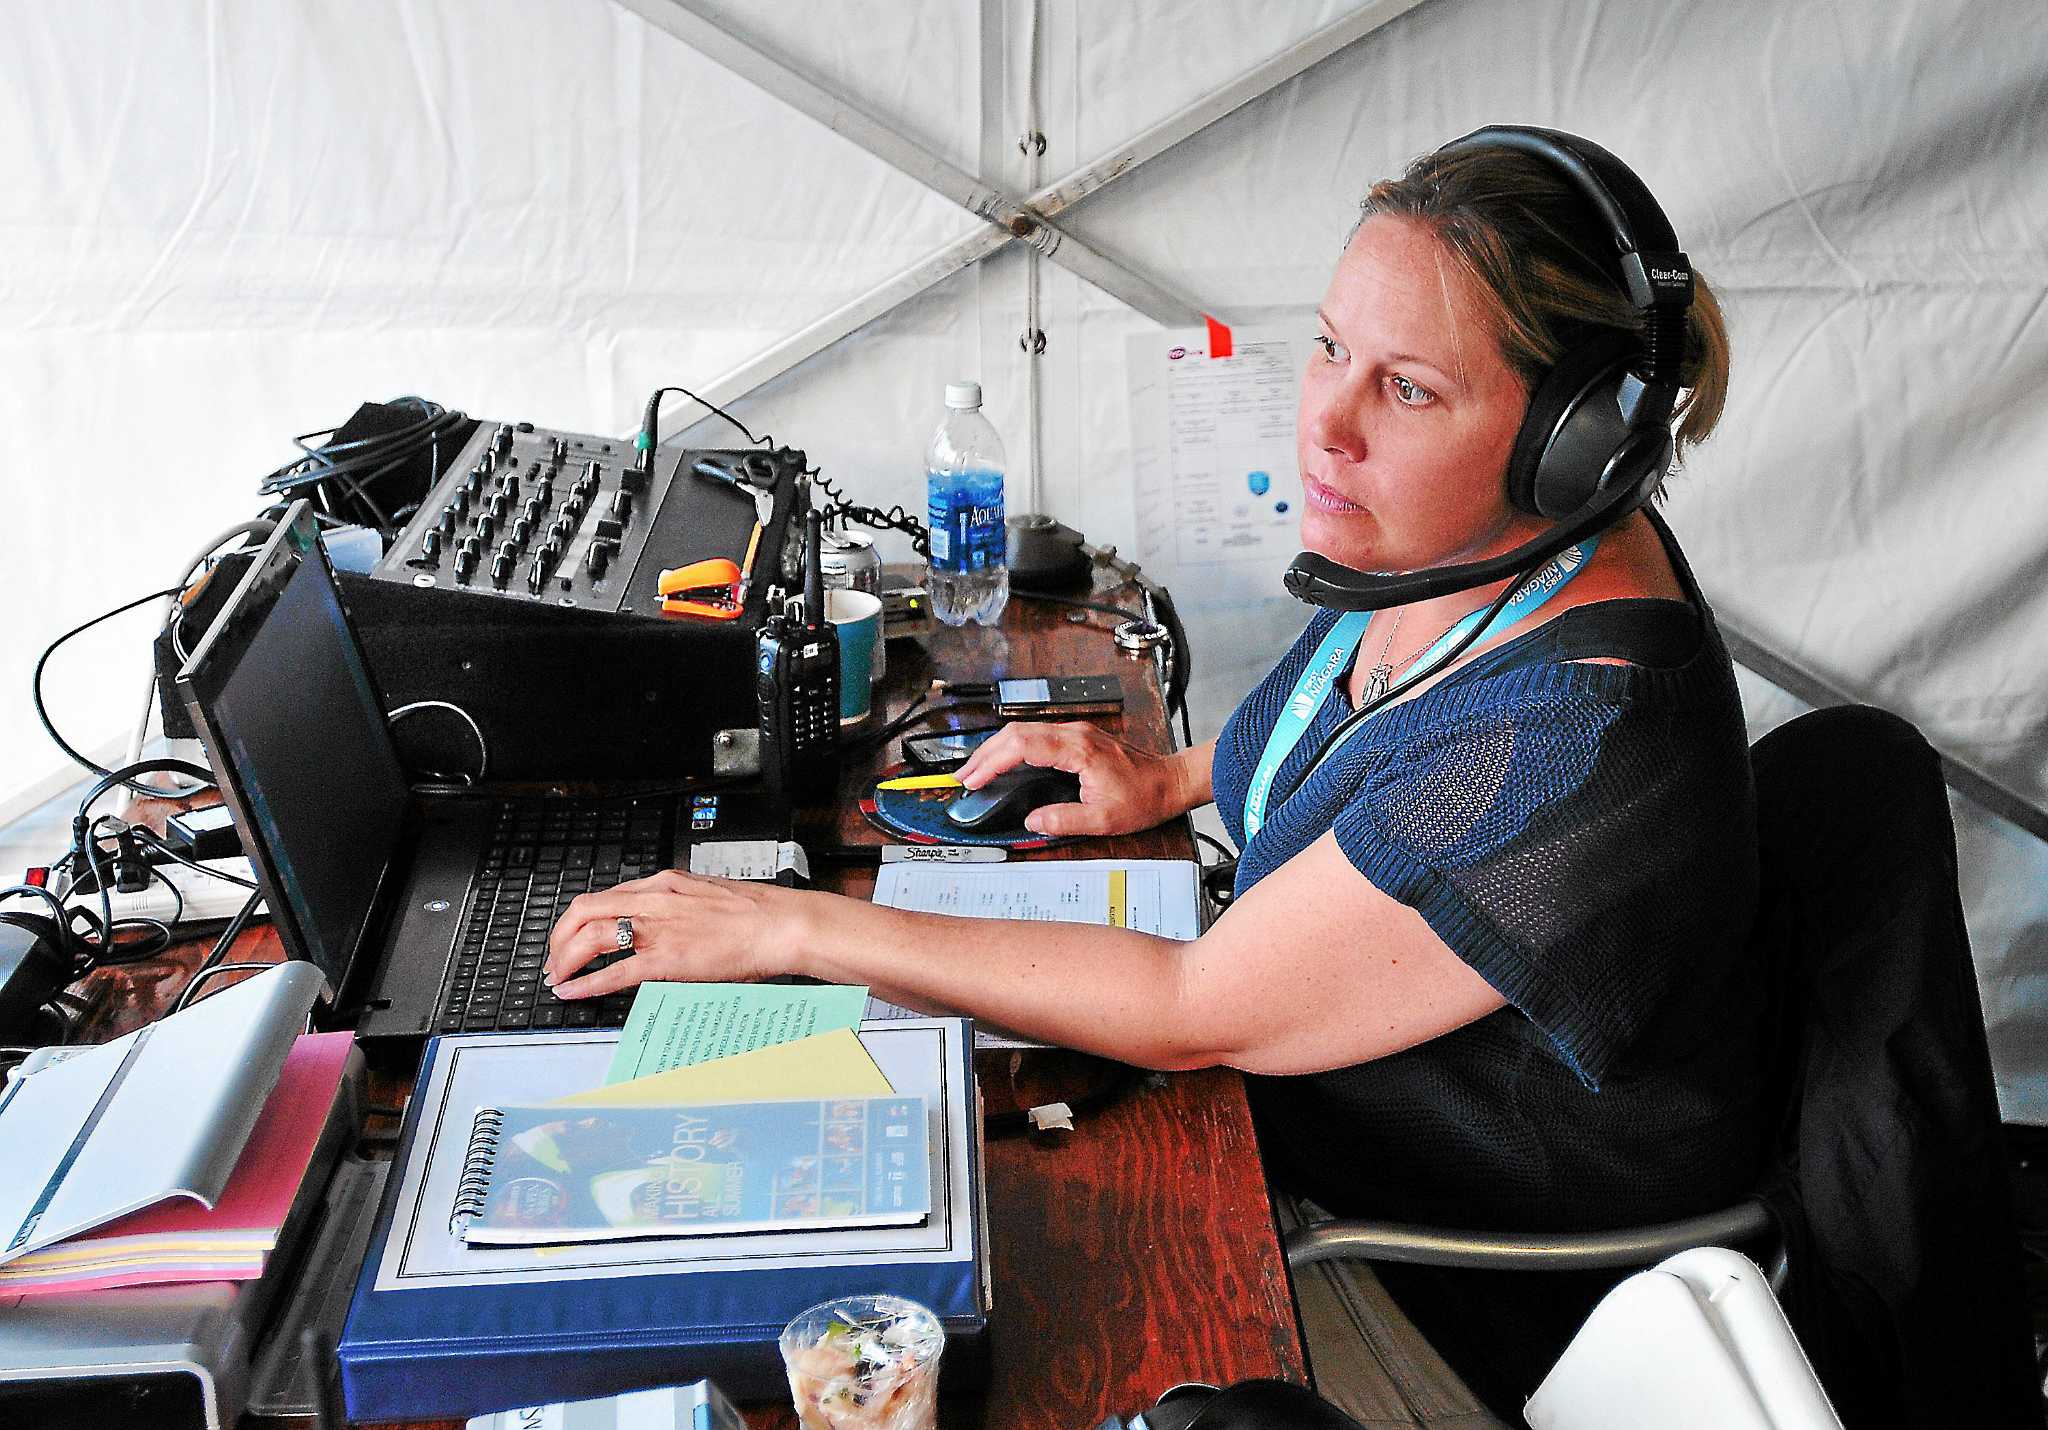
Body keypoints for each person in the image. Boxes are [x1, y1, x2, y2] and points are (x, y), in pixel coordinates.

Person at [545, 133, 1765, 1413]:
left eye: (1408, 389)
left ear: (1572, 448)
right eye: (1332, 347)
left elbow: (1191, 999)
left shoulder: (1566, 740)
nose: (1326, 422)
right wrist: (1164, 783)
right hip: (1306, 1119)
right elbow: (1361, 744)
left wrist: (787, 924)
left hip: (1455, 1291)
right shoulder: (1469, 550)